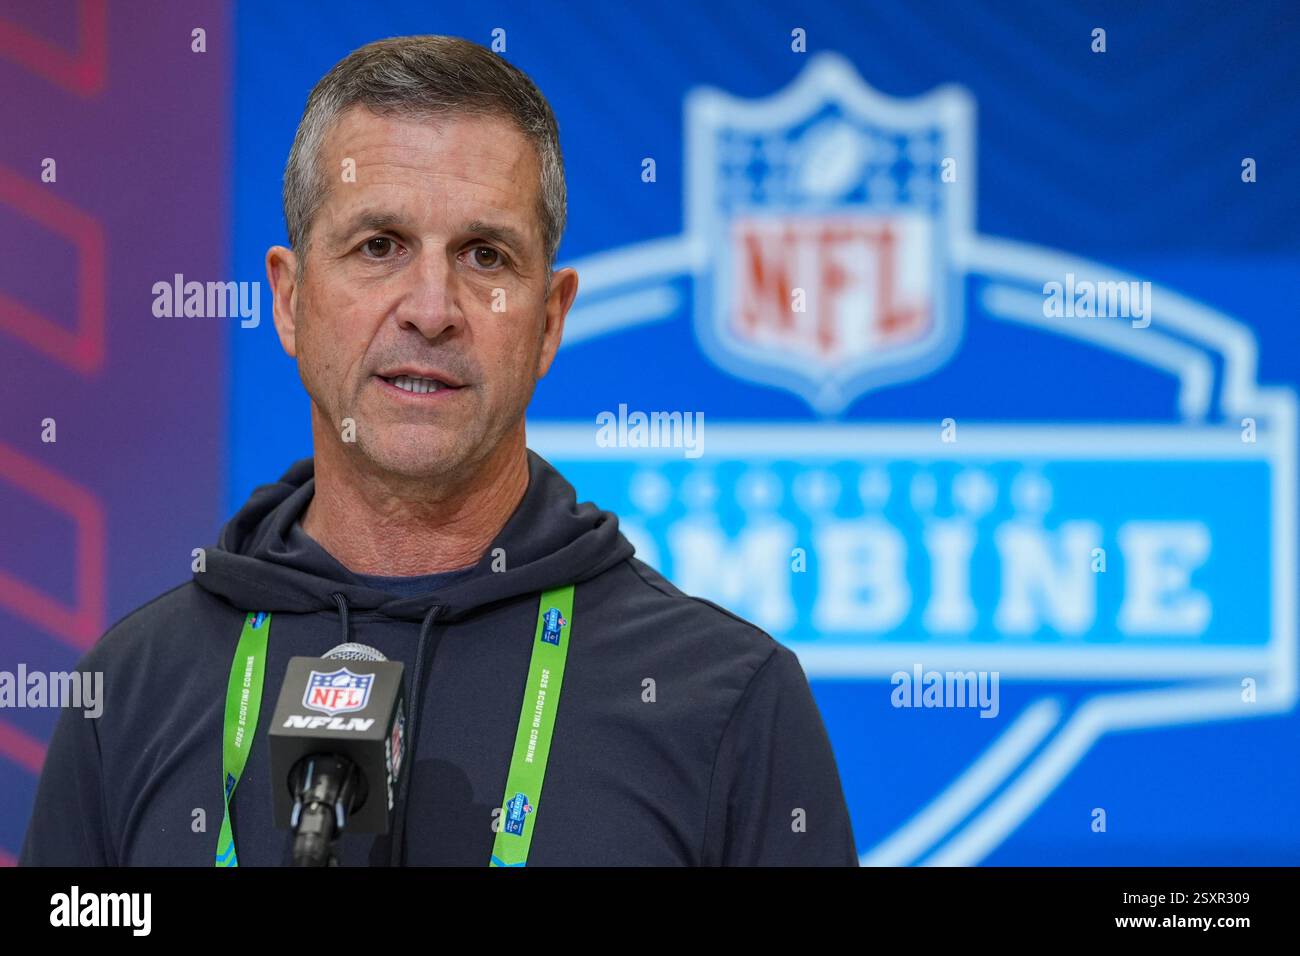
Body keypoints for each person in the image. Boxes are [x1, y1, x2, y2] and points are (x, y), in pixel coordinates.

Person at [20, 34, 857, 866]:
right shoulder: (128, 693)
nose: (431, 308)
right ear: (289, 298)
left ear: (550, 321)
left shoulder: (728, 698)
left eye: (484, 255)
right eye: (378, 245)